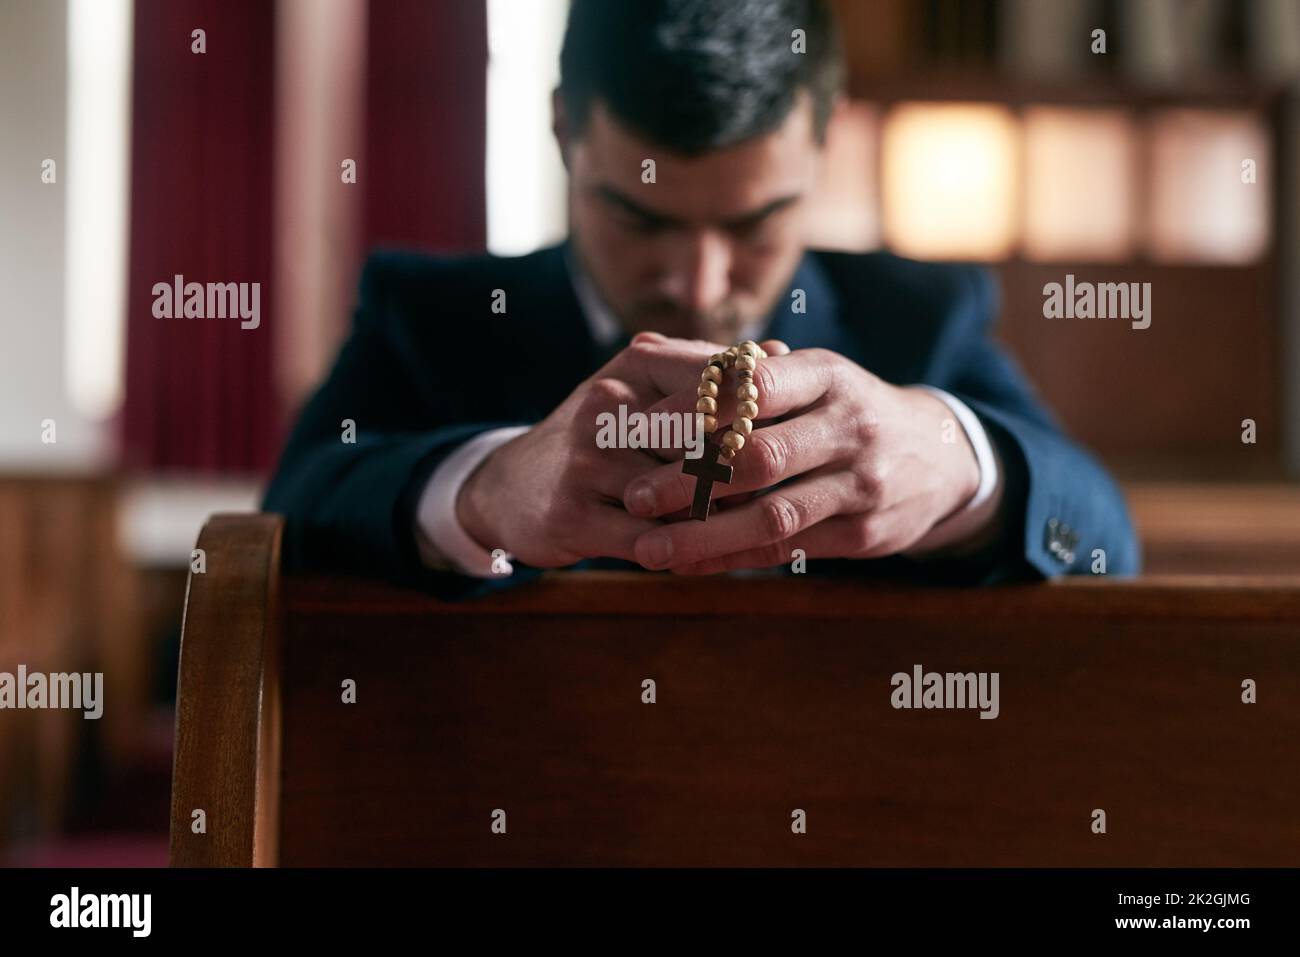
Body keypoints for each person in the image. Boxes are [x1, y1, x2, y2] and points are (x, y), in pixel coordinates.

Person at [263, 0, 1140, 598]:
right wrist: (485, 492)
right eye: (640, 218)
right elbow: (286, 519)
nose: (698, 285)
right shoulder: (429, 318)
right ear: (564, 129)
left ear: (825, 140)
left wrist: (962, 465)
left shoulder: (919, 316)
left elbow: (1106, 542)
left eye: (754, 222)